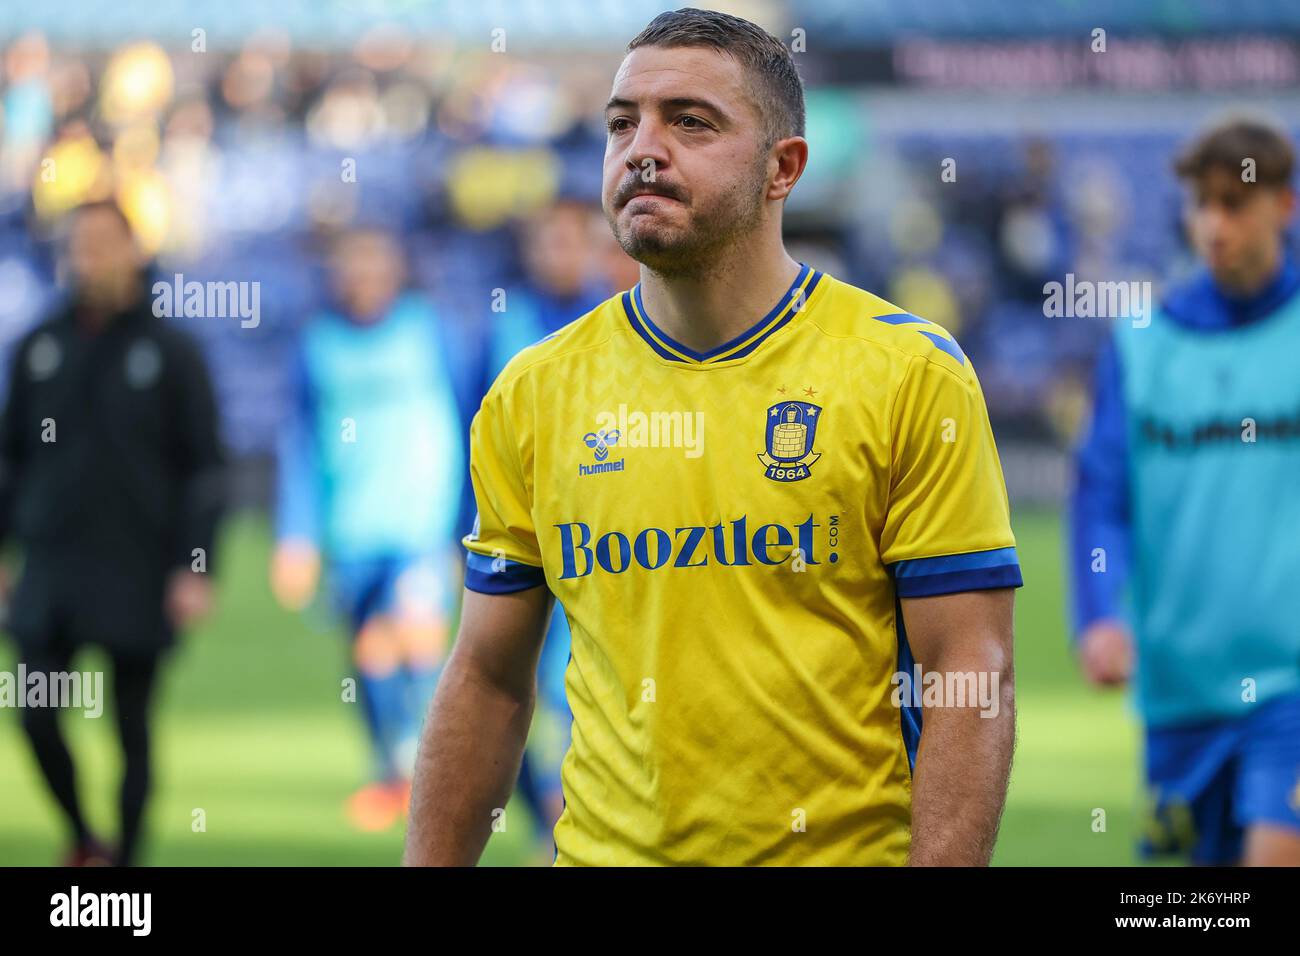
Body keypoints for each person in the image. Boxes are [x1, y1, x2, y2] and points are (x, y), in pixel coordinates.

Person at [405, 8, 1021, 867]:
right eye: (623, 123)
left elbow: (969, 672)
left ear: (784, 168)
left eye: (689, 122)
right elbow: (487, 678)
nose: (643, 148)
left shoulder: (908, 374)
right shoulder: (534, 393)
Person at [1069, 117, 1300, 867]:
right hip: (1177, 693)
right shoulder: (1141, 347)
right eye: (1202, 205)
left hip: (1289, 687)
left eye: (1235, 203)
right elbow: (1103, 499)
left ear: (1284, 207)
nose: (1214, 225)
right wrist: (1101, 614)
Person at [0, 199, 224, 866]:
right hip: (52, 566)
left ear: (133, 250)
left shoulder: (172, 350)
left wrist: (196, 565)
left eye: (103, 242)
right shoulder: (40, 346)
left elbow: (204, 468)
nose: (90, 256)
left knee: (131, 727)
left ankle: (125, 866)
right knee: (35, 709)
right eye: (80, 244)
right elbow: (10, 457)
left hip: (137, 567)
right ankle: (81, 837)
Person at [271, 227, 466, 833]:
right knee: (370, 653)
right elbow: (299, 443)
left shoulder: (430, 329)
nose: (363, 277)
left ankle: (438, 773)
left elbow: (471, 416)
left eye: (375, 264)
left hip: (422, 523)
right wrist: (296, 537)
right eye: (352, 266)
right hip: (354, 527)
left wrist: (468, 523)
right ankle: (391, 771)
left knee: (417, 638)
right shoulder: (317, 344)